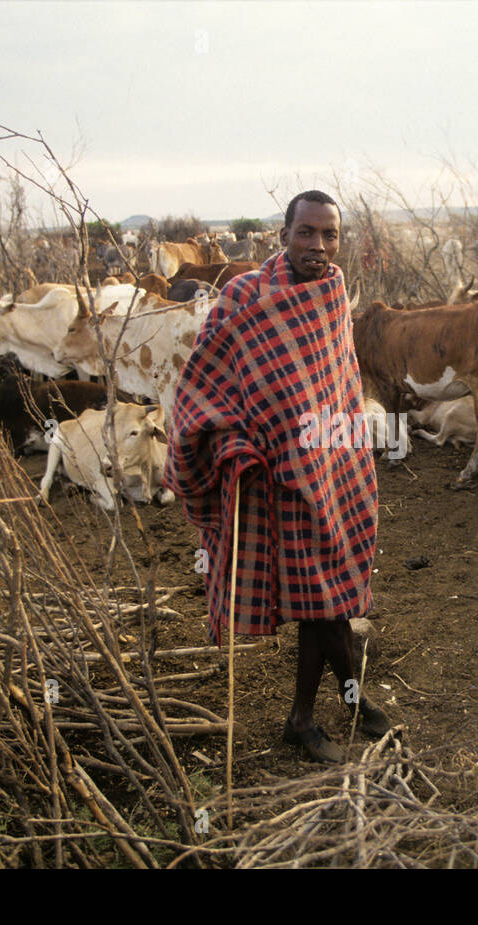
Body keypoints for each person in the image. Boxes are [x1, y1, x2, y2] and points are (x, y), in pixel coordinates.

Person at [167, 190, 391, 764]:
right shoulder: (246, 298)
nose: (318, 246)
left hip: (334, 467)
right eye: (306, 233)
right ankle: (304, 716)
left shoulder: (334, 291)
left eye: (330, 234)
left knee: (334, 598)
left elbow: (337, 381)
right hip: (277, 481)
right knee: (320, 604)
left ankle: (351, 699)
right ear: (283, 234)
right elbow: (204, 385)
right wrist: (233, 441)